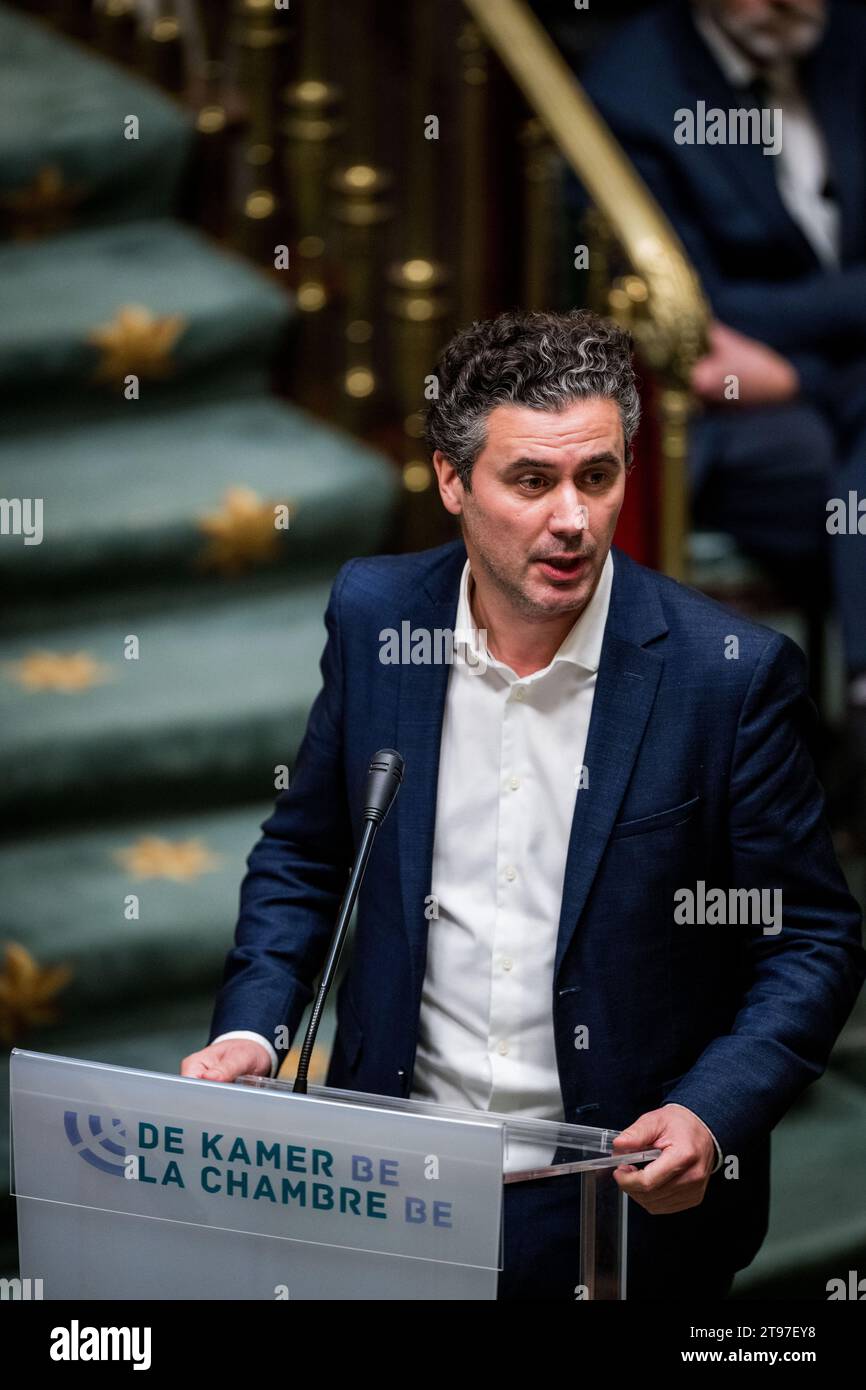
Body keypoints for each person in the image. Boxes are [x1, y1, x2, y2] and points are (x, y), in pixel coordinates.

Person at [182, 309, 865, 1300]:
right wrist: (255, 1029)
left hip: (617, 1198)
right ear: (452, 479)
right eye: (531, 480)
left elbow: (806, 936)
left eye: (597, 475)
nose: (573, 517)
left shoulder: (728, 678)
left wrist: (709, 1115)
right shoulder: (378, 619)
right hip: (394, 1182)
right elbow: (304, 852)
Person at [581, 0, 866, 839]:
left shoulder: (852, 38)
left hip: (802, 380)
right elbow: (687, 313)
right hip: (725, 416)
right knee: (818, 466)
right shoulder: (632, 88)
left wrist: (802, 362)